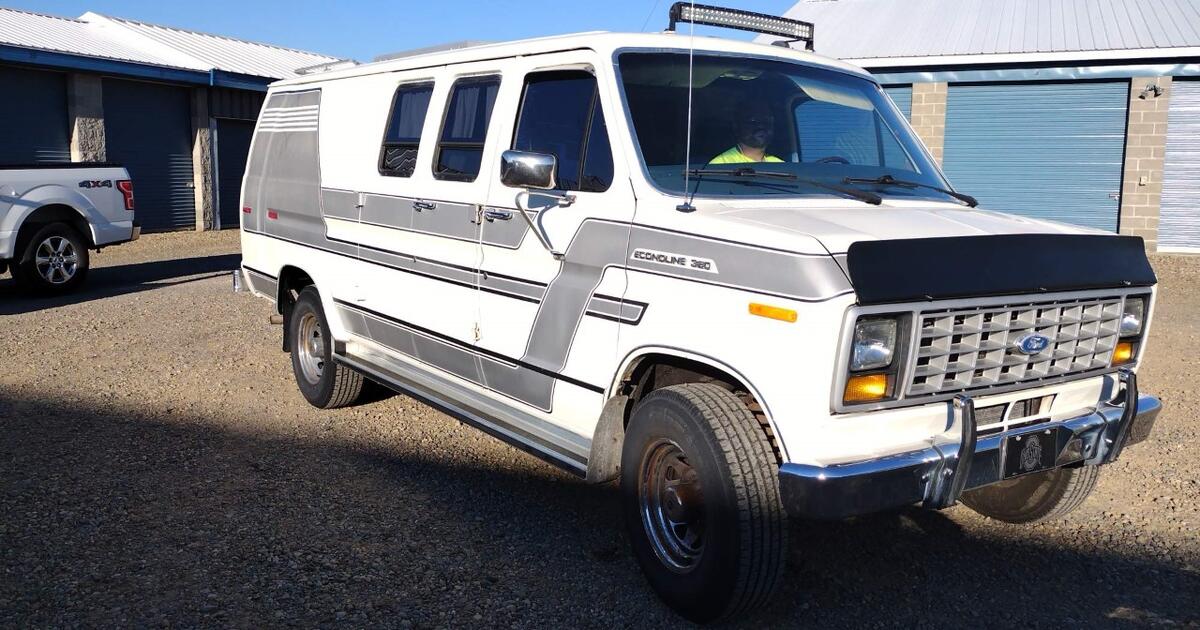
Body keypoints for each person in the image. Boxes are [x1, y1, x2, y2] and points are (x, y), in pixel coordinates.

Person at [708, 102, 784, 165]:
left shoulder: (780, 165)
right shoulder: (721, 164)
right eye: (753, 121)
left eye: (766, 121)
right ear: (737, 127)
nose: (761, 125)